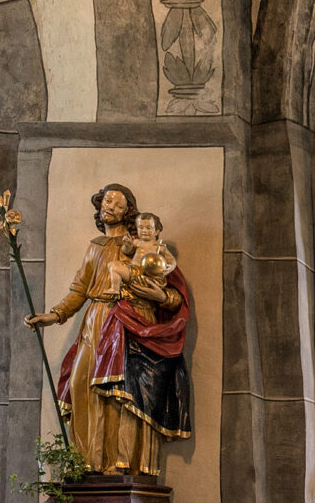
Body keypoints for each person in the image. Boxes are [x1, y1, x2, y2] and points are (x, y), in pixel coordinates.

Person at [24, 185, 193, 476]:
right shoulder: (96, 246)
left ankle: (122, 464)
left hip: (132, 320)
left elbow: (173, 293)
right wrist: (54, 315)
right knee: (81, 386)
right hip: (96, 319)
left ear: (128, 210)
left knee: (121, 393)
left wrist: (158, 298)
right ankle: (87, 463)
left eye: (117, 202)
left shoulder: (145, 245)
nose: (109, 206)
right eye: (106, 200)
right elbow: (79, 289)